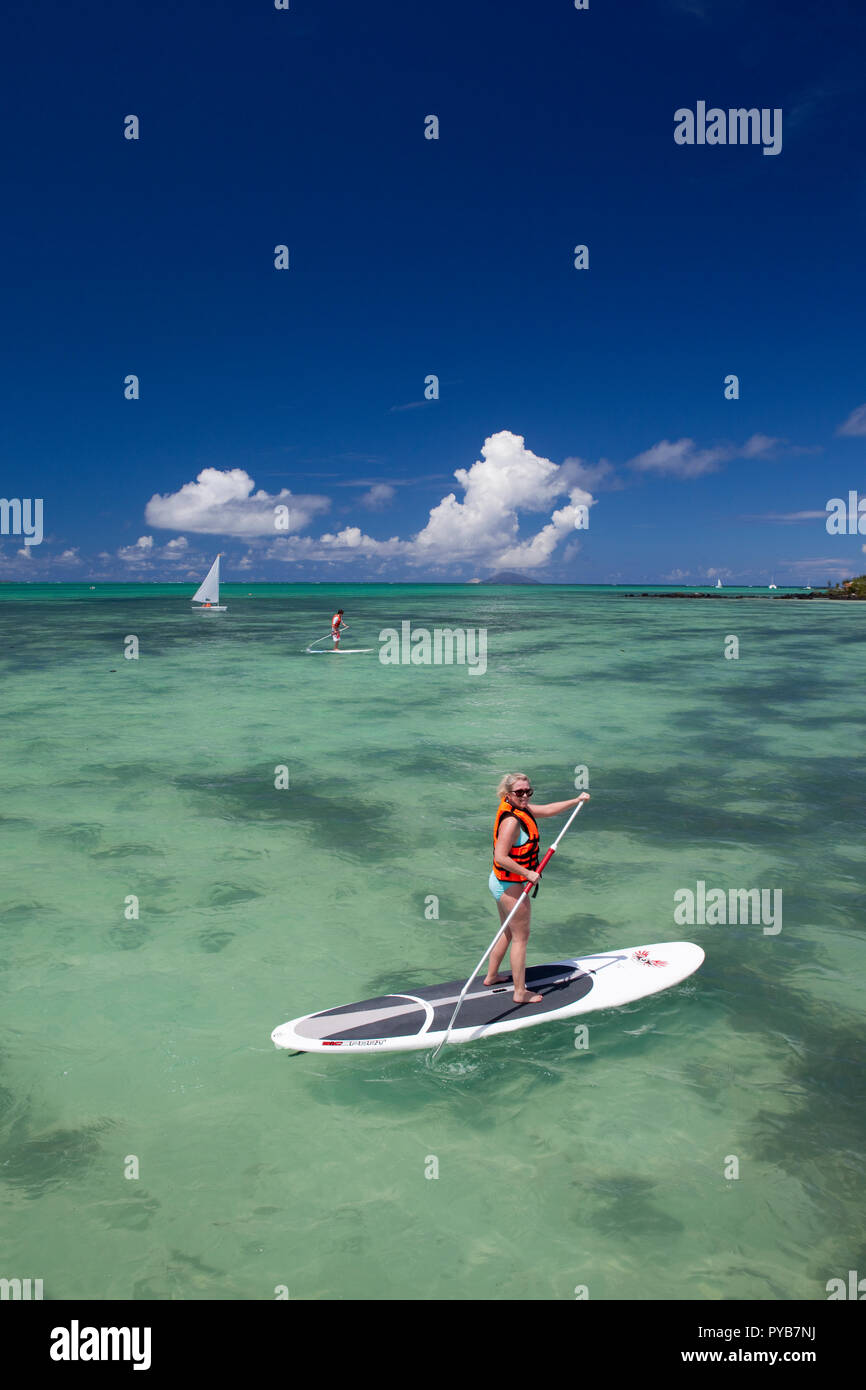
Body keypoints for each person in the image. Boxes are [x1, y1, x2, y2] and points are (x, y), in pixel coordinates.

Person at [486, 773, 590, 1004]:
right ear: (507, 795)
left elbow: (549, 809)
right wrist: (527, 873)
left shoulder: (519, 810)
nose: (524, 796)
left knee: (508, 930)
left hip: (499, 882)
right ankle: (520, 992)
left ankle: (492, 976)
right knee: (521, 937)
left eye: (528, 792)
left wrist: (575, 801)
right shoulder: (512, 821)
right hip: (509, 884)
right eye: (519, 793)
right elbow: (501, 857)